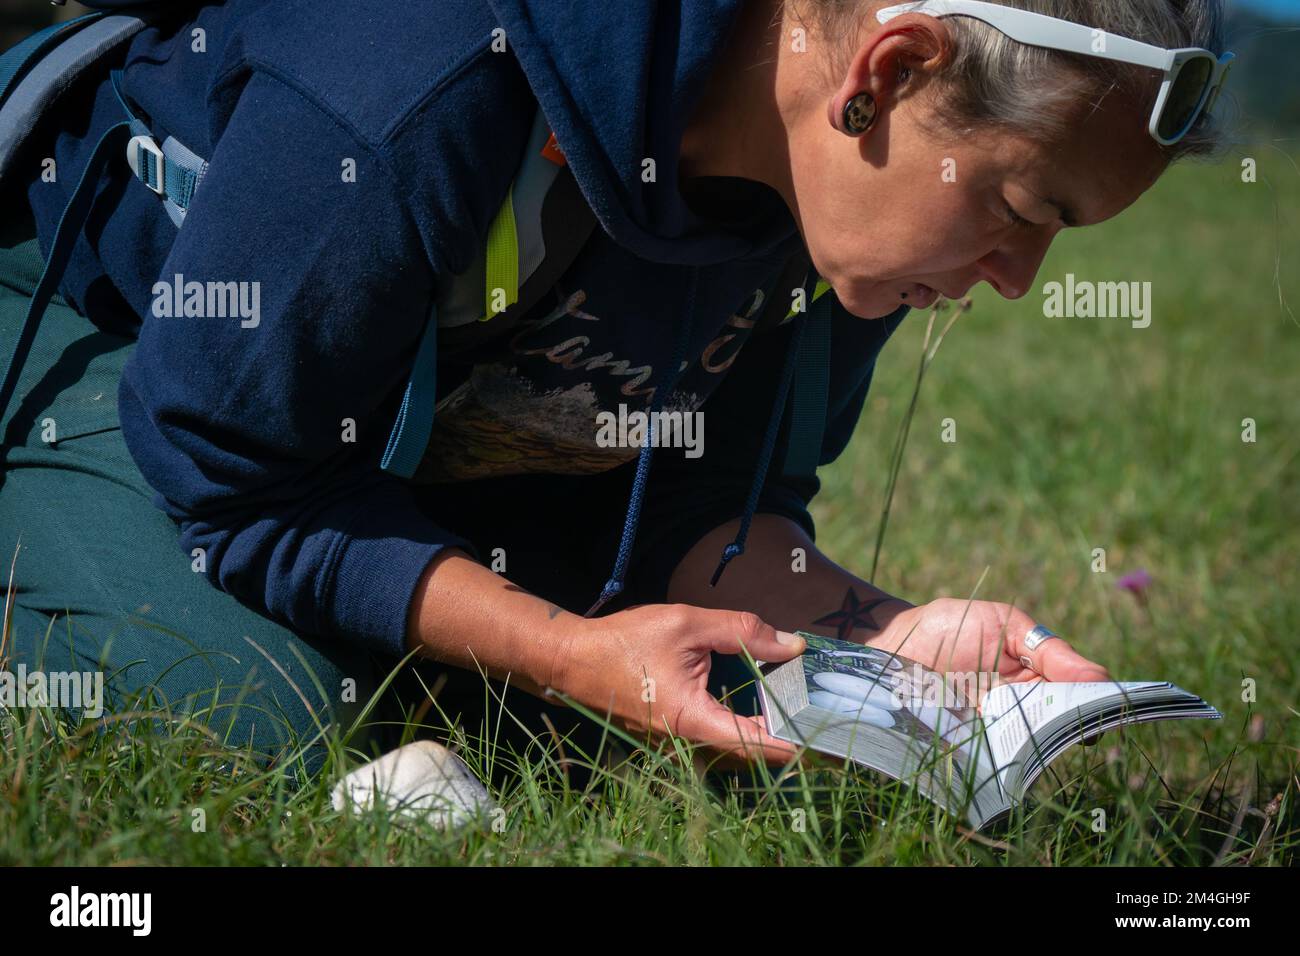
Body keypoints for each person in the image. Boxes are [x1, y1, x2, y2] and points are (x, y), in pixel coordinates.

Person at [0, 0, 1229, 775]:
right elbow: (233, 472)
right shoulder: (413, 74)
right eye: (1019, 209)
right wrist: (562, 650)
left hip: (388, 457)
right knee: (270, 712)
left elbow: (702, 516)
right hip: (104, 345)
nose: (1016, 278)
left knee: (744, 707)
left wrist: (891, 634)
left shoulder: (844, 214)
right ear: (890, 68)